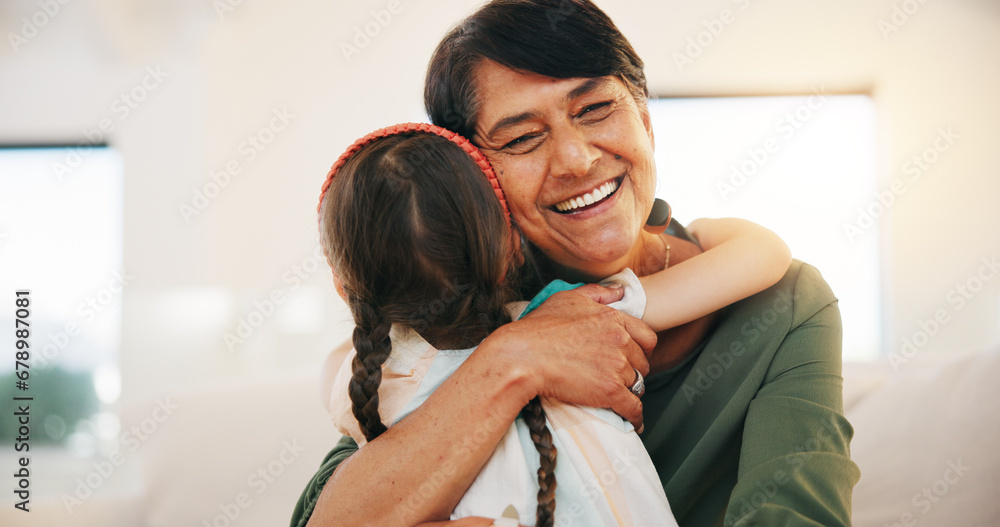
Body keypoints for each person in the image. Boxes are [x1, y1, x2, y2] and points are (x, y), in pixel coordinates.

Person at [292, 1, 861, 526]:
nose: (575, 159)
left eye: (595, 109)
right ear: (475, 179)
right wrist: (514, 359)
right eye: (521, 139)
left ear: (645, 120)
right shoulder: (455, 314)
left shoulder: (784, 305)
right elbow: (332, 512)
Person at [317, 122, 791, 526]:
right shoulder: (569, 320)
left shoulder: (361, 381)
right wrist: (699, 228)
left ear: (343, 287)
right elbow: (764, 256)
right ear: (510, 251)